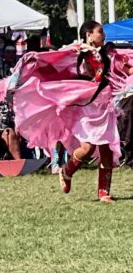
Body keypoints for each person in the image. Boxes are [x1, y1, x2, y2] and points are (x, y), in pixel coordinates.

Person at [11, 21, 133, 202]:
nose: (104, 35)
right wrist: (36, 60)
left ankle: (103, 193)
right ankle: (67, 171)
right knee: (87, 146)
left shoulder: (108, 53)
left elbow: (125, 67)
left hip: (104, 106)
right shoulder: (77, 51)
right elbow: (55, 61)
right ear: (88, 34)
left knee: (106, 149)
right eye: (100, 31)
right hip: (85, 106)